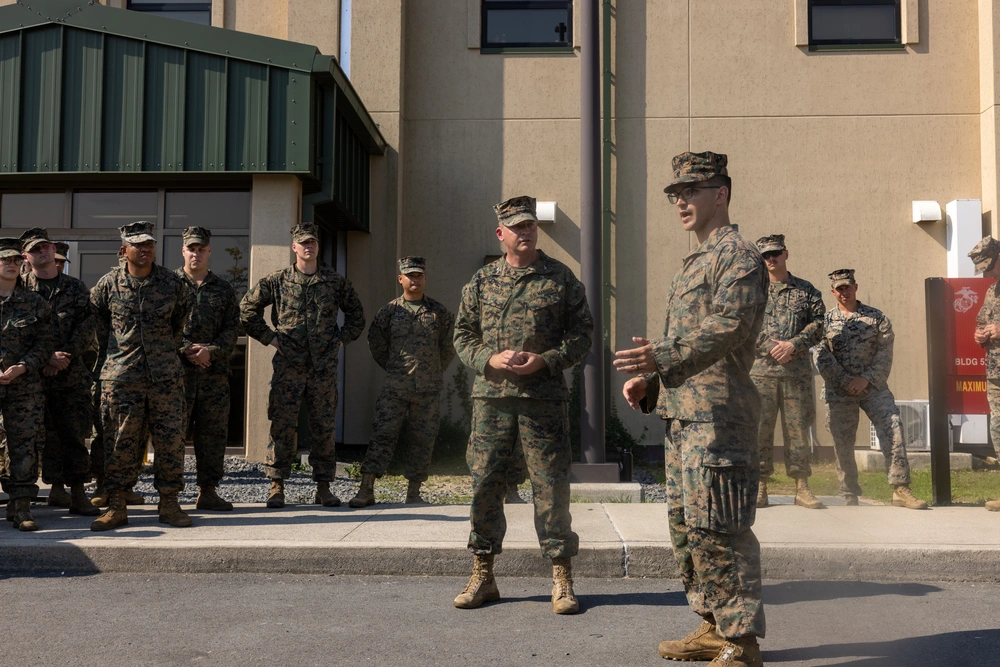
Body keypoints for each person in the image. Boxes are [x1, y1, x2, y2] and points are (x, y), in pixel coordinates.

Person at [615, 151, 767, 666]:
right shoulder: (695, 262)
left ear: (720, 194)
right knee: (686, 527)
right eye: (675, 193)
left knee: (720, 526)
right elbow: (691, 348)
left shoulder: (738, 257)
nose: (680, 201)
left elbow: (728, 328)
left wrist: (660, 355)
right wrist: (653, 383)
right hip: (684, 417)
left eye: (691, 191)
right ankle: (712, 626)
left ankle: (741, 643)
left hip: (720, 418)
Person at [452, 195, 593, 615]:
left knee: (551, 488)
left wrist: (547, 361)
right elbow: (462, 335)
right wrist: (487, 359)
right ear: (501, 234)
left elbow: (582, 333)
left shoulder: (560, 278)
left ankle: (561, 576)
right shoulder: (481, 281)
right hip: (492, 401)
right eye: (517, 226)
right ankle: (483, 574)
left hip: (542, 400)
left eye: (530, 224)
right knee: (485, 485)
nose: (526, 231)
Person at [240, 222, 365, 509]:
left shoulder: (335, 282)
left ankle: (324, 487)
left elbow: (357, 315)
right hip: (289, 366)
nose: (308, 247)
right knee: (282, 425)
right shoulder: (278, 280)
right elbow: (247, 310)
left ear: (317, 247)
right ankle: (276, 486)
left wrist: (340, 341)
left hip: (323, 368)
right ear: (294, 247)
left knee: (323, 427)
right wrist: (271, 338)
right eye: (303, 243)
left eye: (313, 242)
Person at [89, 221, 194, 530]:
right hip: (122, 379)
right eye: (138, 245)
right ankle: (117, 505)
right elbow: (98, 326)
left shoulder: (172, 284)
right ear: (124, 251)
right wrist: (120, 355)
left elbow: (180, 322)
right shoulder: (108, 285)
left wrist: (163, 352)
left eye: (149, 244)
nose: (146, 249)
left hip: (165, 379)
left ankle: (170, 505)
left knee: (170, 442)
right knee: (119, 442)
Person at [814, 269, 927, 510]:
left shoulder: (877, 318)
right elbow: (821, 355)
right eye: (839, 289)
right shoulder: (823, 322)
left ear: (856, 287)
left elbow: (885, 354)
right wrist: (845, 381)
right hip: (839, 389)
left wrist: (865, 379)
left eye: (848, 287)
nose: (844, 292)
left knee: (893, 427)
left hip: (873, 387)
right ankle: (849, 493)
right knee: (842, 442)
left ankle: (900, 489)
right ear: (833, 292)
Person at [349, 256, 455, 508]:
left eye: (419, 275)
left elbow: (448, 347)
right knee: (382, 435)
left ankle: (414, 492)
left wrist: (433, 370)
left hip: (428, 390)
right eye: (410, 275)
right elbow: (376, 344)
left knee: (423, 439)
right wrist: (394, 366)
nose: (414, 279)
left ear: (425, 278)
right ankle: (366, 490)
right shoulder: (388, 312)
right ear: (401, 279)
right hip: (395, 387)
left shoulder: (439, 312)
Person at [20, 228, 99, 517]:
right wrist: (45, 359)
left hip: (71, 375)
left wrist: (64, 356)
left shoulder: (76, 288)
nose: (42, 251)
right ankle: (28, 499)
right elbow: (17, 333)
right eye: (35, 249)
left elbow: (86, 326)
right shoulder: (19, 289)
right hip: (31, 377)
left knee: (74, 434)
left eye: (46, 246)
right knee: (29, 437)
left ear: (54, 250)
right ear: (26, 257)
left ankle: (77, 493)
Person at [750, 234, 825, 509]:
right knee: (760, 431)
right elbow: (743, 325)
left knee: (798, 431)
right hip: (761, 374)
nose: (771, 259)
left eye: (776, 253)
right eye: (766, 255)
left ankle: (802, 487)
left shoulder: (806, 291)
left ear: (786, 254)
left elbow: (819, 324)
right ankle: (760, 486)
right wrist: (770, 347)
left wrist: (794, 344)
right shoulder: (752, 291)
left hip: (796, 376)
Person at [177, 226, 241, 511]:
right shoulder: (169, 285)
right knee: (173, 434)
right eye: (191, 248)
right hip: (177, 375)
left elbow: (232, 329)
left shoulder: (223, 289)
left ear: (209, 251)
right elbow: (159, 327)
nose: (196, 253)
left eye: (201, 249)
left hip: (214, 376)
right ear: (183, 251)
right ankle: (169, 495)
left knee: (212, 434)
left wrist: (210, 352)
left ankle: (208, 491)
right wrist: (188, 349)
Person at [0, 237, 52, 531]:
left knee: (24, 446)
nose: (10, 264)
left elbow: (45, 343)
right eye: (4, 260)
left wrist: (22, 367)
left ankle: (21, 508)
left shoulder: (34, 302)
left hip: (24, 386)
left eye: (15, 260)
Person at [968, 237, 1000, 511]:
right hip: (996, 374)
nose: (986, 273)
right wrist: (980, 334)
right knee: (999, 430)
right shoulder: (993, 291)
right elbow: (981, 323)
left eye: (988, 266)